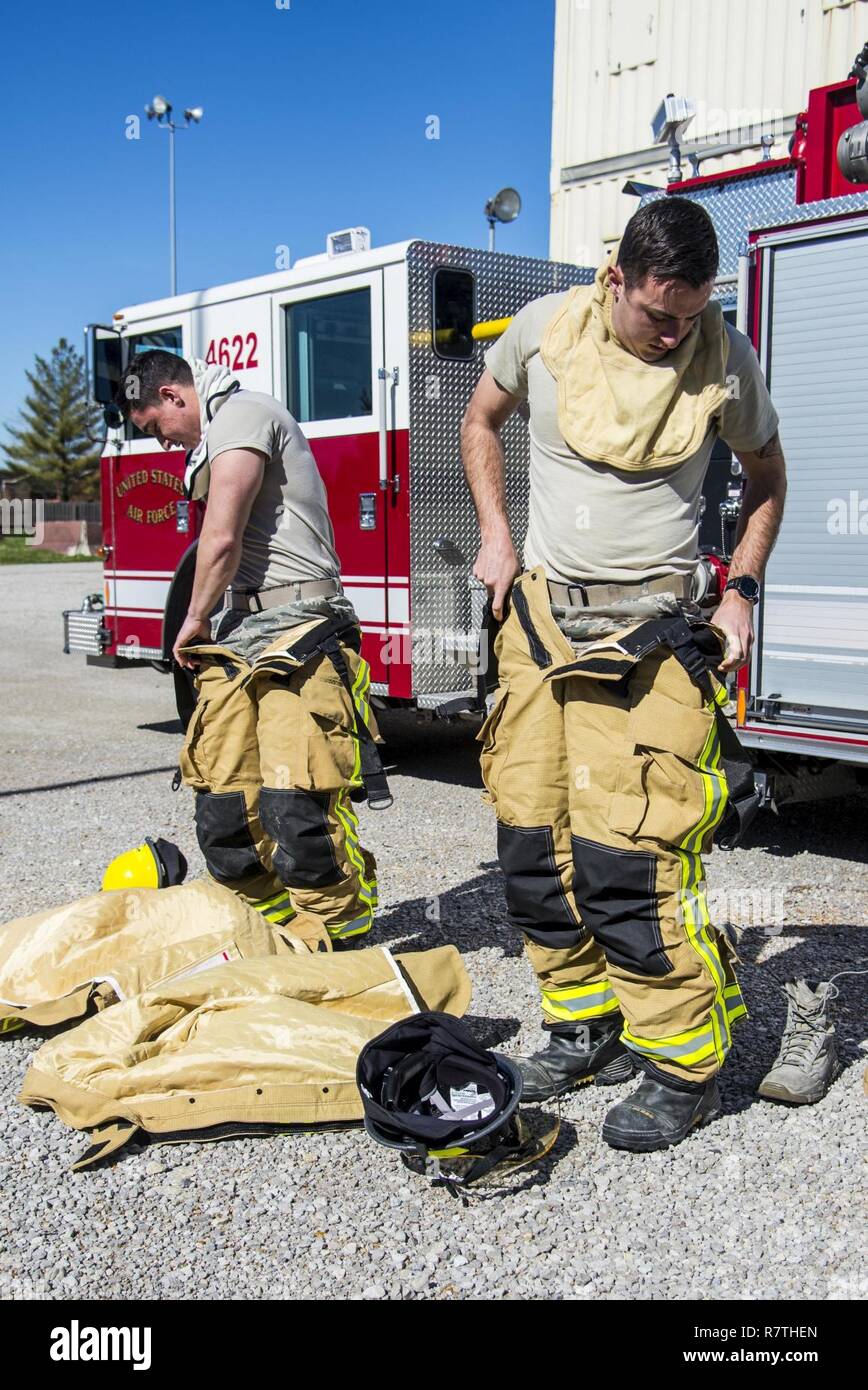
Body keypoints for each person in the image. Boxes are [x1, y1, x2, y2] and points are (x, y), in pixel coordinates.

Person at [461, 197, 786, 1151]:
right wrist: (495, 536)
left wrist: (742, 593)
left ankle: (684, 1063)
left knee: (628, 862)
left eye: (691, 312)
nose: (674, 332)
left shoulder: (721, 356)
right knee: (530, 844)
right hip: (539, 619)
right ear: (617, 282)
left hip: (652, 633)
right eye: (658, 314)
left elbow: (769, 479)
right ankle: (584, 1023)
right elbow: (481, 420)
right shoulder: (548, 328)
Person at [114, 351, 389, 951]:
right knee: (224, 810)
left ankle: (343, 941)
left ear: (173, 396)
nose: (161, 444)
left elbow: (222, 536)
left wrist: (192, 620)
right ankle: (272, 931)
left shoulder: (243, 415)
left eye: (156, 427)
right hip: (245, 629)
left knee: (298, 806)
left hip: (301, 630)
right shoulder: (215, 432)